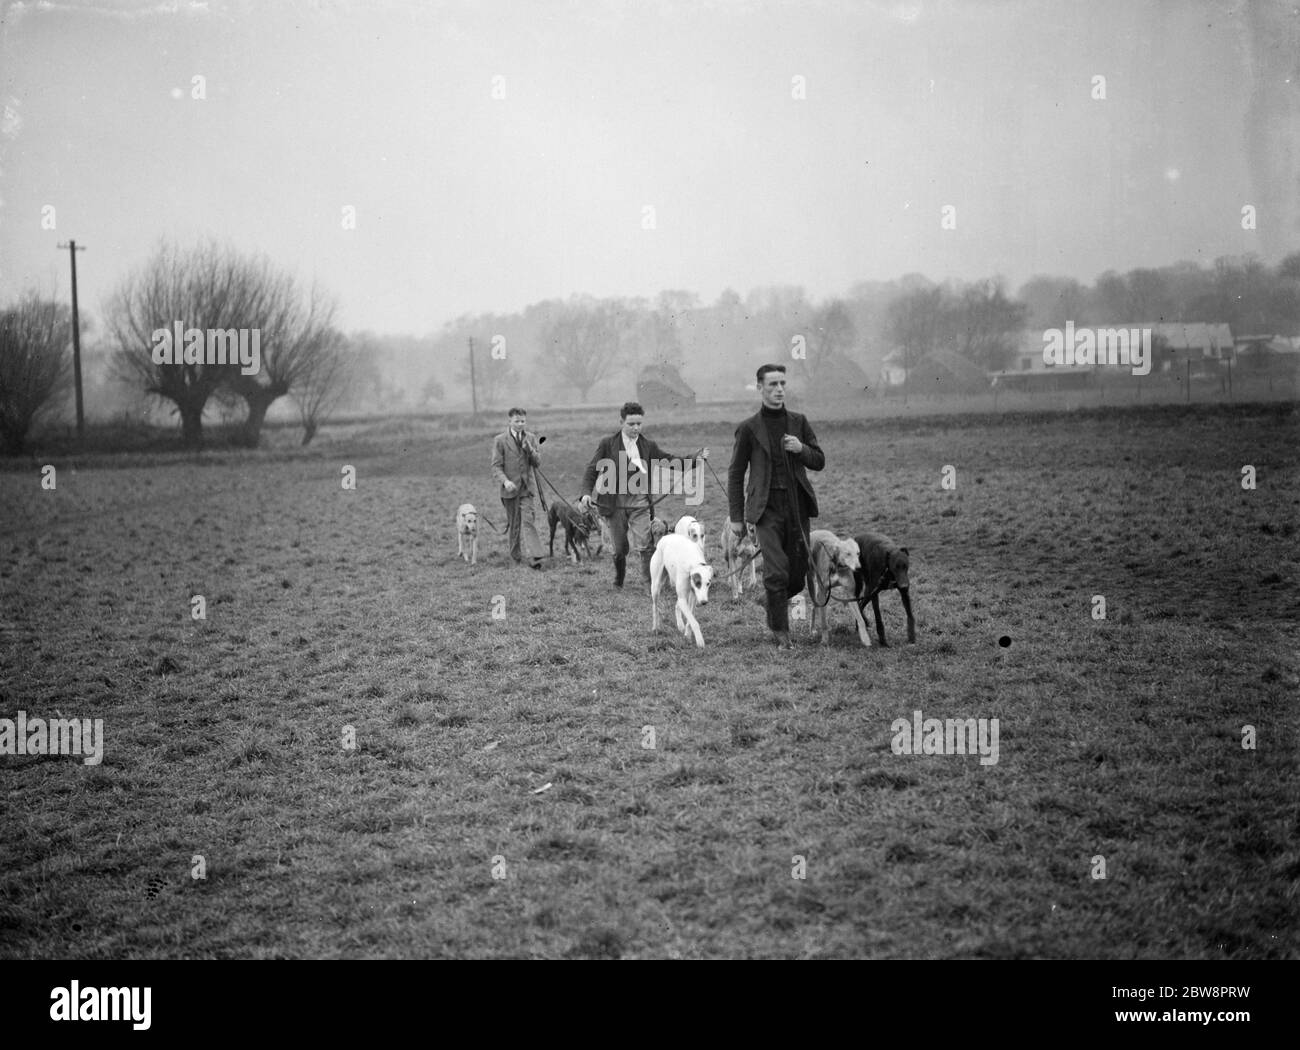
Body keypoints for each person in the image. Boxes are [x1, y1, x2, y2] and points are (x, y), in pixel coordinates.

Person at [727, 364, 825, 648]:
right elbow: (735, 474)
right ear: (760, 387)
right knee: (777, 570)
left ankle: (771, 598)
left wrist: (801, 449)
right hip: (765, 509)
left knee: (796, 576)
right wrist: (737, 517)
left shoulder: (799, 422)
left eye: (782, 383)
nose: (779, 389)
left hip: (797, 507)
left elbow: (819, 460)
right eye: (772, 384)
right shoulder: (748, 428)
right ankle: (782, 634)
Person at [579, 401, 709, 589]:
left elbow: (671, 461)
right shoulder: (607, 444)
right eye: (631, 424)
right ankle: (619, 578)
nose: (636, 428)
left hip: (640, 502)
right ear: (621, 422)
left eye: (639, 423)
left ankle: (651, 584)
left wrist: (694, 459)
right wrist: (585, 494)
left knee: (646, 544)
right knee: (619, 548)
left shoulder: (648, 445)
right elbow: (592, 470)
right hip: (614, 504)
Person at [491, 407, 544, 569]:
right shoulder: (500, 440)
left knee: (529, 521)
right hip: (510, 490)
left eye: (523, 421)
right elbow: (496, 466)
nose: (521, 424)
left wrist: (530, 449)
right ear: (510, 421)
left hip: (527, 489)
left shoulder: (531, 438)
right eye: (517, 421)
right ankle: (515, 557)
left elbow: (537, 462)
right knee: (514, 524)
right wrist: (505, 481)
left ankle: (535, 557)